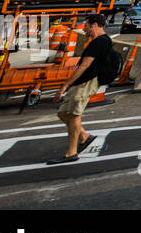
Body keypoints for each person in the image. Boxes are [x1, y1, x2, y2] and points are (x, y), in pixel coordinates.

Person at [49, 14, 115, 164]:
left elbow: (84, 66)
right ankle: (84, 136)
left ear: (94, 25)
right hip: (81, 82)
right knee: (62, 113)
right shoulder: (98, 41)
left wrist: (66, 85)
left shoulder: (100, 42)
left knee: (73, 116)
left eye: (86, 25)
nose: (84, 28)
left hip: (85, 82)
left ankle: (71, 153)